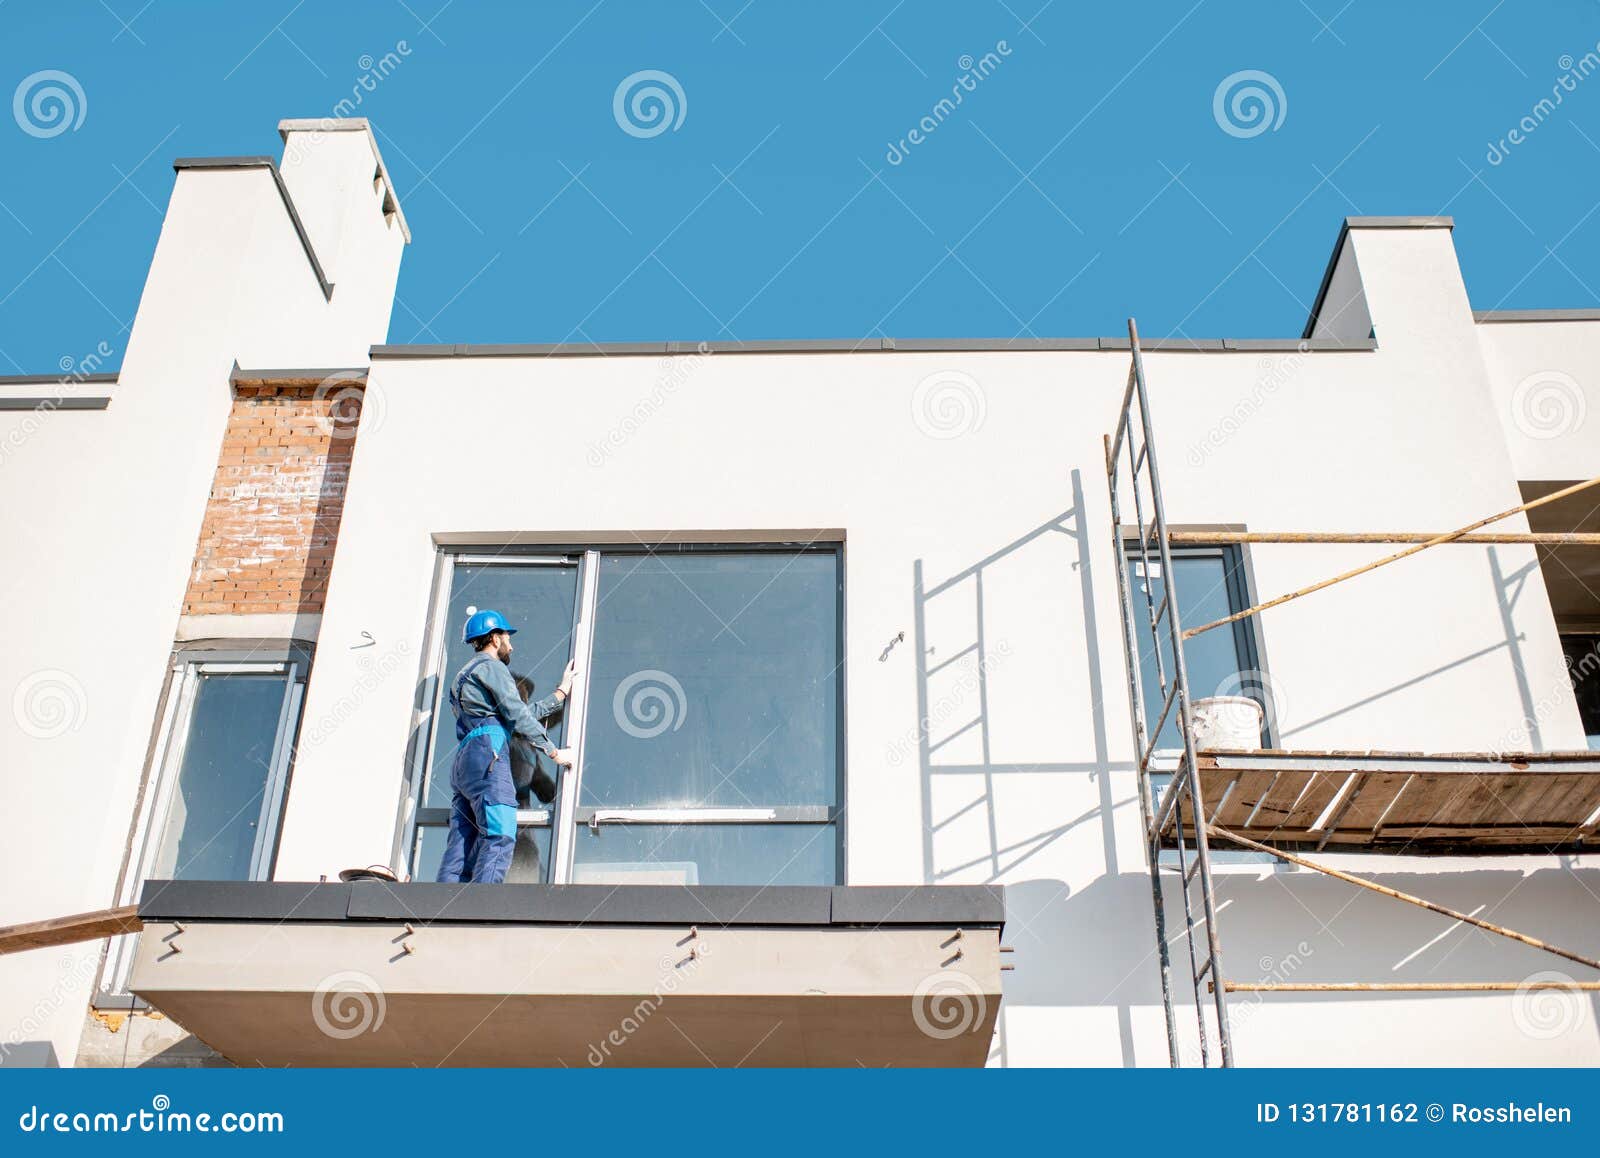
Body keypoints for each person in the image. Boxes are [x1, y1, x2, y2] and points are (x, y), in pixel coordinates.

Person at [436, 609, 575, 884]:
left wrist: (559, 694)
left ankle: (441, 905)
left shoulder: (462, 677)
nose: (511, 645)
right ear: (495, 638)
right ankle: (483, 905)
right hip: (488, 756)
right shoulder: (493, 667)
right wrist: (553, 751)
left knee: (461, 844)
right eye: (508, 638)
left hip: (466, 761)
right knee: (499, 835)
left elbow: (513, 714)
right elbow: (517, 714)